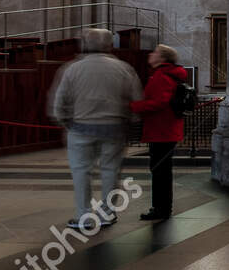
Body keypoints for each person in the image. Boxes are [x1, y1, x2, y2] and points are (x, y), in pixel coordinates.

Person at [47, 28, 141, 229]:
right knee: (111, 171)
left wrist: (65, 122)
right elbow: (136, 101)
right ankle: (107, 214)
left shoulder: (72, 68)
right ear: (110, 45)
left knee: (81, 172)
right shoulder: (124, 68)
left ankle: (83, 216)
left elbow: (59, 102)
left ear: (85, 44)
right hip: (114, 128)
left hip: (80, 128)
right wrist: (130, 121)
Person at [130, 44, 189, 222]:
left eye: (155, 52)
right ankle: (162, 207)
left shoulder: (162, 75)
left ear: (162, 58)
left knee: (159, 171)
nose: (151, 54)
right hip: (166, 129)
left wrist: (134, 106)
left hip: (161, 130)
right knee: (162, 170)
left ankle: (161, 209)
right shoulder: (169, 74)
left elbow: (159, 102)